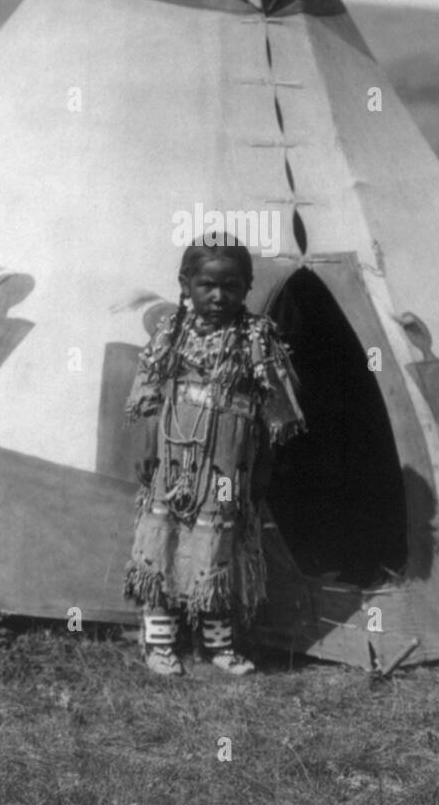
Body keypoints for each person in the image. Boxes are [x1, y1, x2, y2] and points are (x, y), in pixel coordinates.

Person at [124, 239, 305, 676]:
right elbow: (149, 393)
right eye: (207, 285)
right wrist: (149, 448)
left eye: (231, 285)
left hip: (228, 463)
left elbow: (274, 412)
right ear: (186, 284)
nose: (219, 296)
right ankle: (160, 643)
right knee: (163, 538)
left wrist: (262, 469)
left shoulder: (256, 337)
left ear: (247, 288)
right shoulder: (172, 331)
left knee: (219, 541)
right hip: (174, 456)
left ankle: (217, 644)